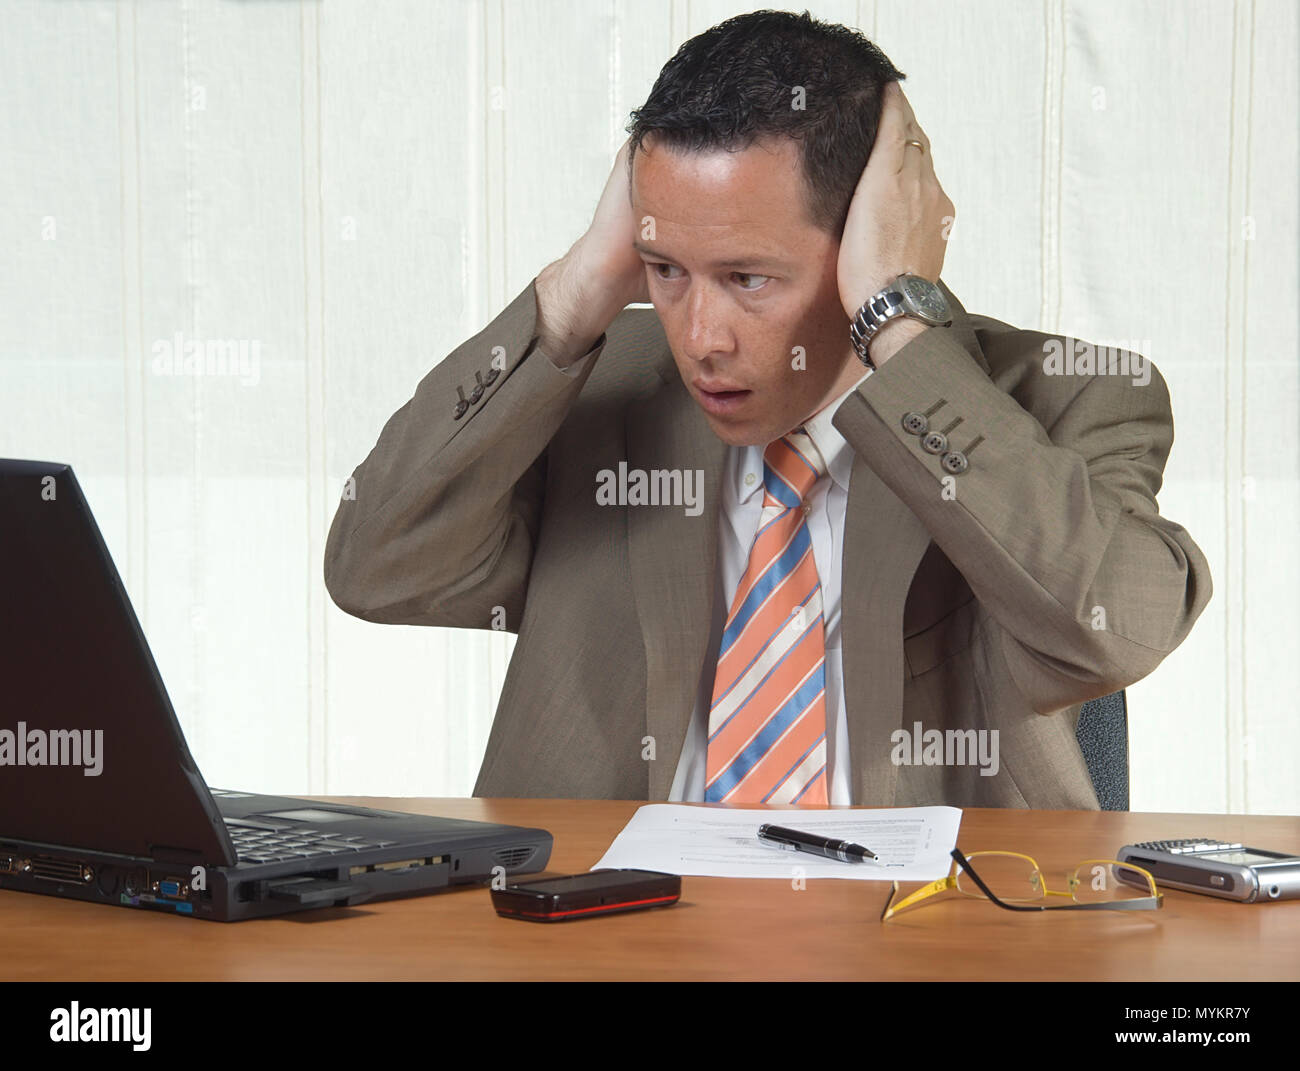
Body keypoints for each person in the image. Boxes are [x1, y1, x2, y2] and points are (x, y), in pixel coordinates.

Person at [324, 10, 1211, 808]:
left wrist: (897, 322)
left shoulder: (1062, 401)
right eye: (667, 271)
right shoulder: (596, 387)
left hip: (918, 936)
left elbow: (1117, 629)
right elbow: (379, 567)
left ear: (873, 237)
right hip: (609, 933)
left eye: (749, 278)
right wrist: (574, 293)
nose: (700, 335)